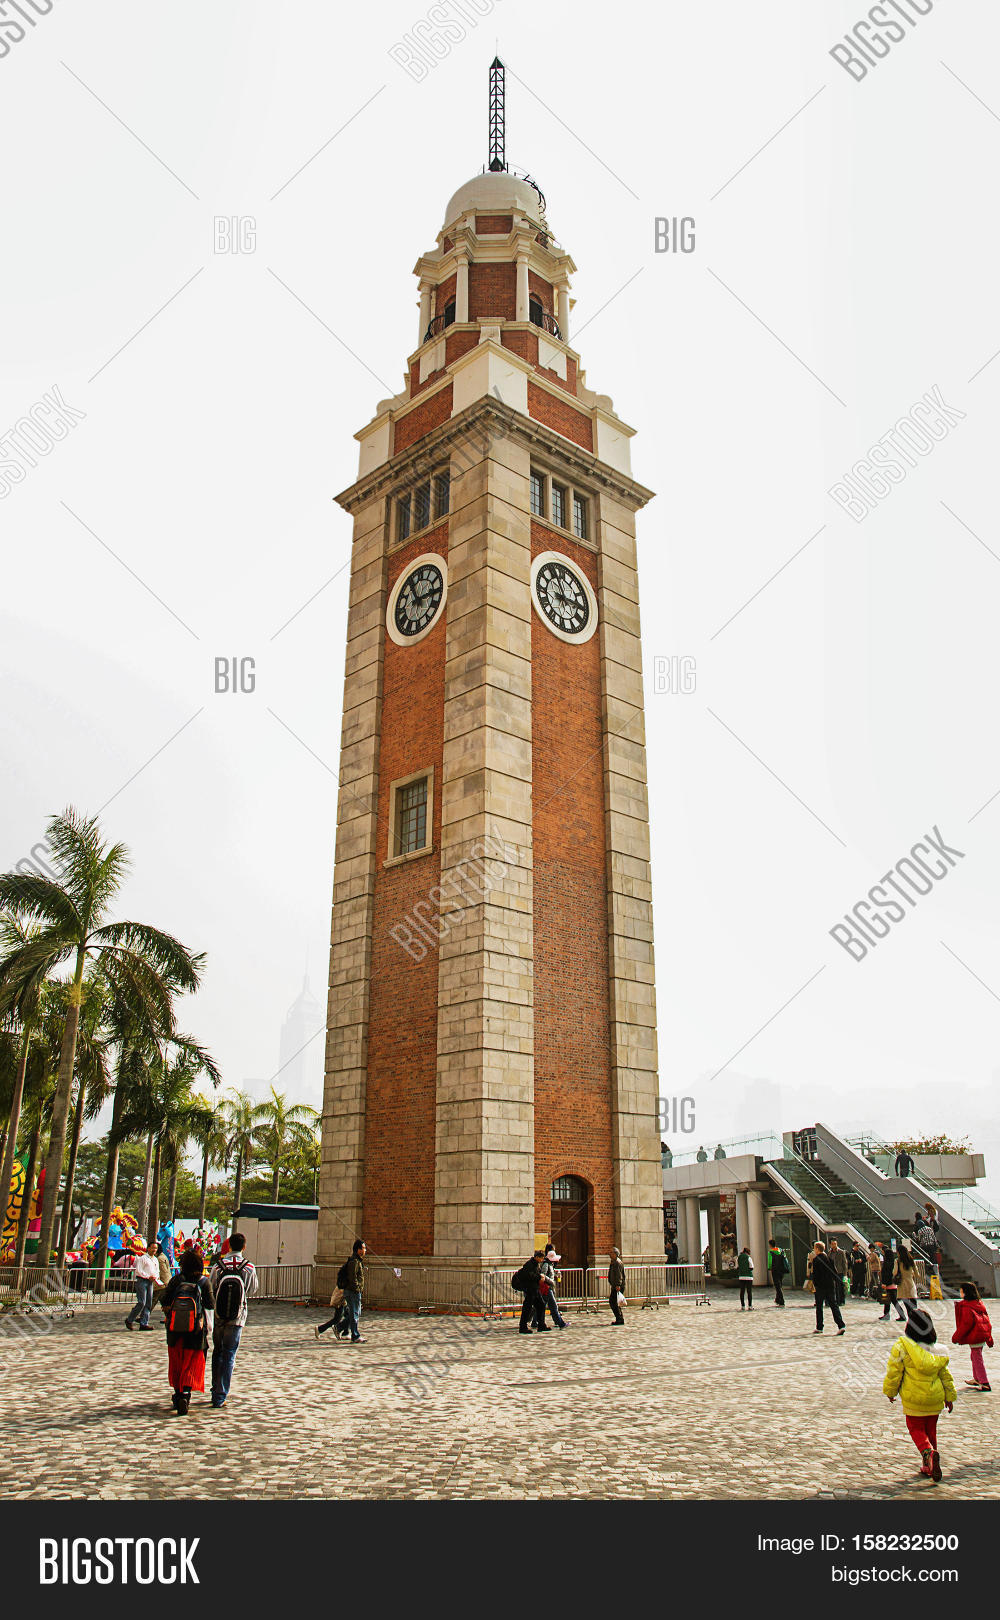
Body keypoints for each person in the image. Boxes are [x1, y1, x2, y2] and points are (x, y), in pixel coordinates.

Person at [883, 1303, 956, 1481]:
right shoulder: (938, 1351)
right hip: (935, 1399)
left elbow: (894, 1372)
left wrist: (890, 1391)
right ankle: (928, 1464)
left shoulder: (902, 1346)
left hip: (913, 1398)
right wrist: (950, 1397)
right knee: (931, 1430)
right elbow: (945, 1375)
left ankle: (929, 1454)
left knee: (915, 1428)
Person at [159, 1249, 214, 1415]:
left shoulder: (177, 1280)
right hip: (196, 1330)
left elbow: (164, 1298)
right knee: (191, 1362)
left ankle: (177, 1394)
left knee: (177, 1361)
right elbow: (211, 1304)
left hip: (175, 1329)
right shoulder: (204, 1282)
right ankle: (186, 1394)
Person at [209, 1230, 258, 1409]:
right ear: (244, 1247)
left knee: (218, 1351)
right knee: (229, 1353)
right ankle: (221, 1395)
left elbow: (212, 1287)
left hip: (219, 1315)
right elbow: (252, 1290)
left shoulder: (218, 1265)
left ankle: (214, 1389)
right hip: (238, 1315)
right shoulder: (249, 1267)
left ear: (229, 1245)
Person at [952, 1282, 993, 1393]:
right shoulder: (979, 1303)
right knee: (975, 1356)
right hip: (981, 1334)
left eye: (961, 1291)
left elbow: (966, 1324)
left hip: (975, 1335)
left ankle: (984, 1383)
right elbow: (987, 1321)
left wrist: (956, 1337)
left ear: (966, 1293)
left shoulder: (967, 1306)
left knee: (977, 1359)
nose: (960, 1293)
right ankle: (977, 1378)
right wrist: (989, 1338)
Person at [810, 1240, 846, 1334]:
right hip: (830, 1286)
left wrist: (815, 1285)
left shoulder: (816, 1260)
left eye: (814, 1248)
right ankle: (841, 1325)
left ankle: (819, 1327)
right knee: (834, 1306)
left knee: (819, 1307)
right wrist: (839, 1282)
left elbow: (815, 1275)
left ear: (817, 1249)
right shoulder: (829, 1259)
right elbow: (834, 1272)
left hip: (820, 1287)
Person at [124, 1240, 160, 1331]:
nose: (154, 1250)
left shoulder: (155, 1259)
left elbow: (157, 1271)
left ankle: (144, 1323)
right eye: (153, 1248)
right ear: (148, 1248)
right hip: (142, 1281)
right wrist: (148, 1276)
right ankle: (130, 1319)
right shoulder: (143, 1258)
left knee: (148, 1303)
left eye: (156, 1248)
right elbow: (139, 1271)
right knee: (141, 1302)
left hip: (151, 1282)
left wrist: (155, 1277)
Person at [537, 1244, 568, 1329]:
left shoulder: (550, 1264)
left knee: (542, 1306)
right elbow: (543, 1275)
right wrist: (551, 1281)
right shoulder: (546, 1264)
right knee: (553, 1306)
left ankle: (535, 1321)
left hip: (548, 1288)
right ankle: (560, 1323)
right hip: (547, 1288)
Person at [342, 1239, 366, 1343]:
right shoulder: (355, 1261)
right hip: (353, 1291)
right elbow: (353, 1277)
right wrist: (357, 1289)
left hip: (353, 1291)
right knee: (355, 1313)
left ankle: (339, 1328)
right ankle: (355, 1335)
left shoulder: (357, 1260)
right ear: (358, 1250)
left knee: (355, 1313)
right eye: (363, 1248)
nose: (365, 1250)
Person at [517, 1250, 545, 1334]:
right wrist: (539, 1277)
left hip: (535, 1289)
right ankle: (523, 1327)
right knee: (527, 1308)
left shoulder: (536, 1264)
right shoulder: (530, 1264)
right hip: (530, 1289)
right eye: (541, 1258)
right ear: (537, 1257)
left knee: (541, 1305)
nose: (542, 1260)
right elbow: (530, 1275)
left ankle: (541, 1325)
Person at [879, 1242, 906, 1323]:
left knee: (892, 1300)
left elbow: (886, 1274)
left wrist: (884, 1283)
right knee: (888, 1300)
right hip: (893, 1283)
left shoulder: (887, 1263)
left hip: (888, 1284)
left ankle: (901, 1315)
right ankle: (887, 1314)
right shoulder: (893, 1263)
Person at [895, 1240, 918, 1305]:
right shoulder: (911, 1260)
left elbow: (894, 1272)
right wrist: (911, 1274)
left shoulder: (897, 1261)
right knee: (914, 1306)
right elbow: (917, 1274)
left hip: (902, 1285)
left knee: (907, 1306)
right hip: (911, 1283)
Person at [608, 1247, 626, 1325]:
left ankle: (619, 1318)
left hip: (618, 1286)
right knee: (615, 1302)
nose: (610, 1254)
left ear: (615, 1254)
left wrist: (618, 1285)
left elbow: (619, 1275)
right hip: (615, 1285)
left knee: (613, 1302)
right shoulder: (613, 1262)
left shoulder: (617, 1263)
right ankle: (619, 1318)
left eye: (611, 1252)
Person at [767, 1239, 787, 1307]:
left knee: (777, 1285)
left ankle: (781, 1300)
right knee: (780, 1284)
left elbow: (770, 1262)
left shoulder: (770, 1252)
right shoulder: (781, 1250)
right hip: (782, 1269)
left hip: (775, 1269)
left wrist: (769, 1267)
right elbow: (785, 1258)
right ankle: (777, 1299)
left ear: (770, 1245)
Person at [828, 1239, 847, 1305]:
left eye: (835, 1244)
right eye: (832, 1244)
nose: (834, 1245)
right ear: (830, 1244)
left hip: (840, 1271)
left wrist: (845, 1274)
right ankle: (835, 1300)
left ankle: (841, 1301)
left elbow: (844, 1263)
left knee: (840, 1287)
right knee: (834, 1287)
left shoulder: (841, 1252)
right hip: (832, 1272)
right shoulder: (829, 1252)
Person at [737, 1246, 754, 1310]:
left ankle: (743, 1306)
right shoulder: (748, 1257)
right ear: (748, 1252)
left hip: (741, 1276)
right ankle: (750, 1306)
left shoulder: (738, 1258)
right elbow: (752, 1266)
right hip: (749, 1277)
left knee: (742, 1291)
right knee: (749, 1291)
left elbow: (737, 1266)